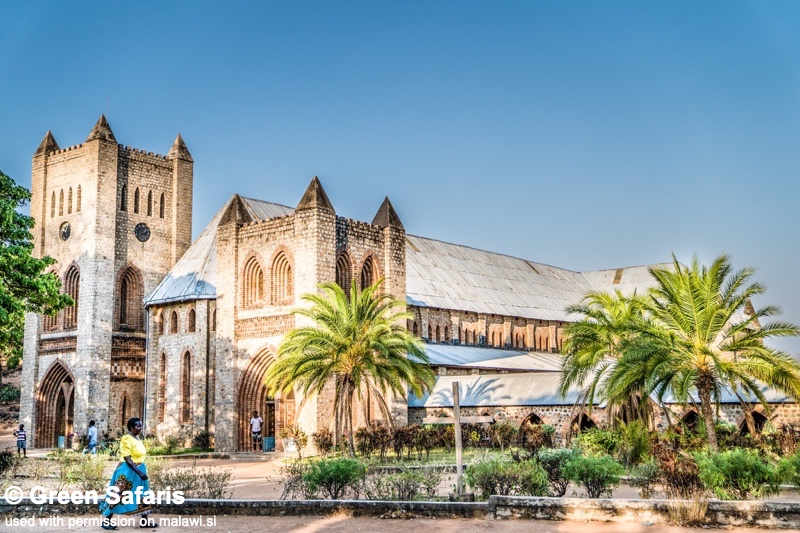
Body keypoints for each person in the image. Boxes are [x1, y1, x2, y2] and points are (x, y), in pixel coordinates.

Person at [99, 418, 157, 530]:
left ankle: (144, 522)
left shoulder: (137, 438)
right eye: (138, 426)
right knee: (118, 494)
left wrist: (141, 471)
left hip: (139, 469)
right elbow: (127, 458)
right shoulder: (126, 439)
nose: (140, 428)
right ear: (131, 428)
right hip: (128, 470)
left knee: (143, 494)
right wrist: (139, 472)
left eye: (140, 425)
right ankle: (106, 521)